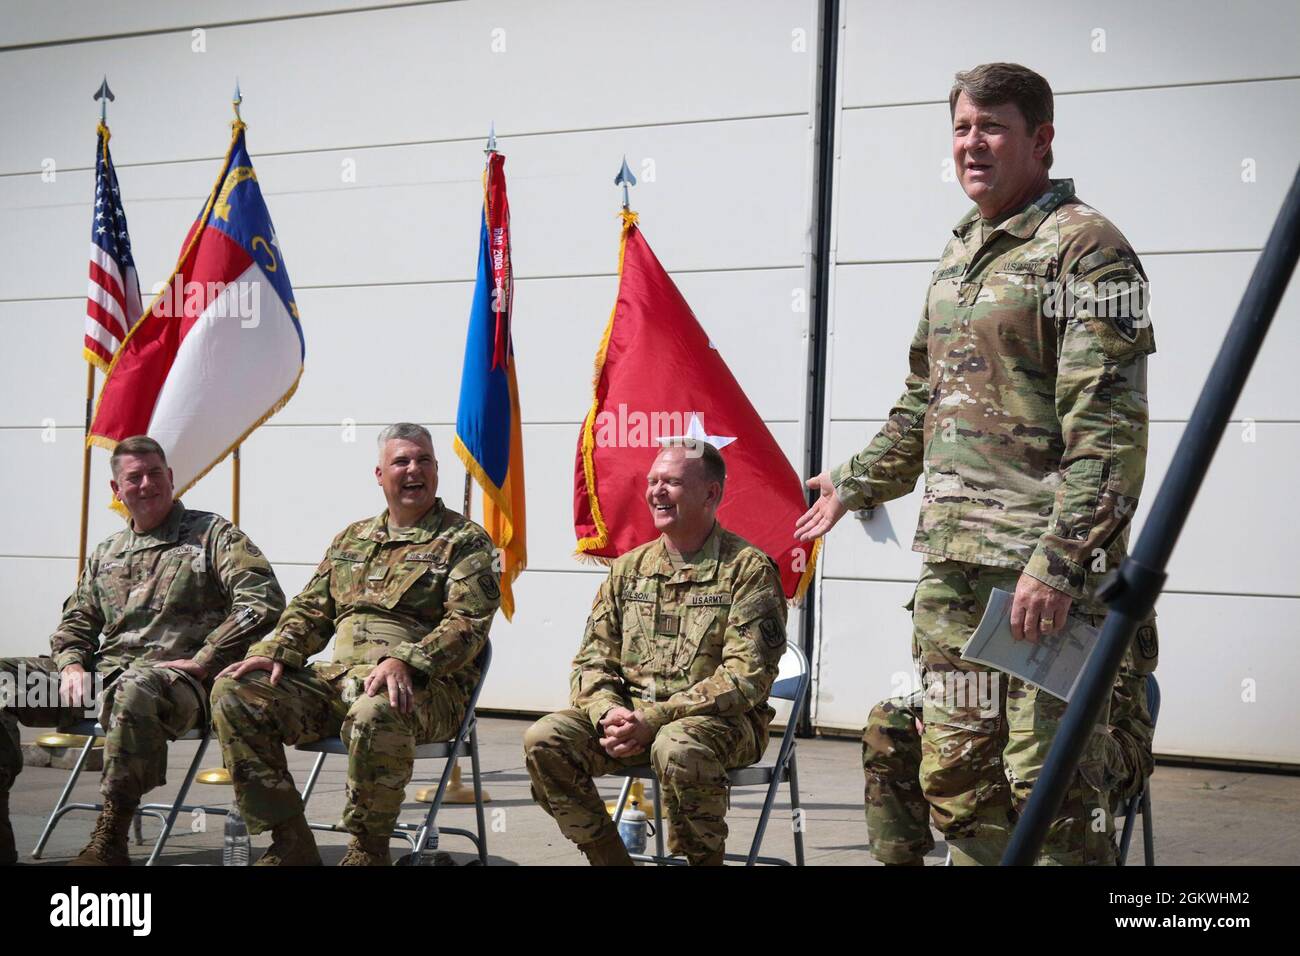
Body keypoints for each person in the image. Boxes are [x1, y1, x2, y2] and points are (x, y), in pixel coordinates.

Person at [797, 63, 1158, 864]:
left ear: (1040, 139)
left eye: (991, 127)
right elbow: (926, 402)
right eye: (962, 128)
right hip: (956, 577)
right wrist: (854, 482)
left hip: (1044, 587)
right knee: (958, 787)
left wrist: (1058, 567)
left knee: (1051, 798)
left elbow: (1110, 435)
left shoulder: (1090, 251)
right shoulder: (962, 251)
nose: (972, 143)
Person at [211, 423, 499, 866]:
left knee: (376, 709)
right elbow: (310, 610)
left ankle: (368, 850)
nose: (413, 469)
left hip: (425, 690)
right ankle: (290, 841)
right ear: (380, 474)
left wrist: (407, 660)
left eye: (423, 460)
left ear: (437, 471)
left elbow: (468, 625)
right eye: (401, 461)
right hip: (338, 681)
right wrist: (272, 652)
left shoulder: (466, 541)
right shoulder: (352, 539)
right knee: (235, 693)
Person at [0, 435, 284, 866]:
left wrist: (206, 657)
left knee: (135, 687)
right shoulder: (108, 552)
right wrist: (72, 664)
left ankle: (109, 838)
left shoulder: (213, 536)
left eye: (156, 474)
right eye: (135, 477)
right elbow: (76, 621)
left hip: (179, 686)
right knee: (4, 680)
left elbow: (261, 601)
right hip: (98, 682)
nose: (147, 484)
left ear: (171, 478)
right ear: (117, 490)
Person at [525, 442, 787, 866]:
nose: (657, 492)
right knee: (546, 739)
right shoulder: (628, 569)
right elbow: (592, 661)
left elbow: (746, 678)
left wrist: (655, 718)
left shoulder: (748, 570)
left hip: (718, 724)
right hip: (631, 720)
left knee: (676, 745)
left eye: (672, 482)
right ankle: (610, 859)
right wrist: (608, 713)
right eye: (653, 482)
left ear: (711, 494)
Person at [863, 657, 1156, 865]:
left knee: (1045, 735)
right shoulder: (994, 600)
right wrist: (938, 710)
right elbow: (967, 679)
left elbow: (1115, 700)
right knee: (890, 719)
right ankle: (901, 859)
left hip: (1104, 734)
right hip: (1005, 723)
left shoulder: (1101, 593)